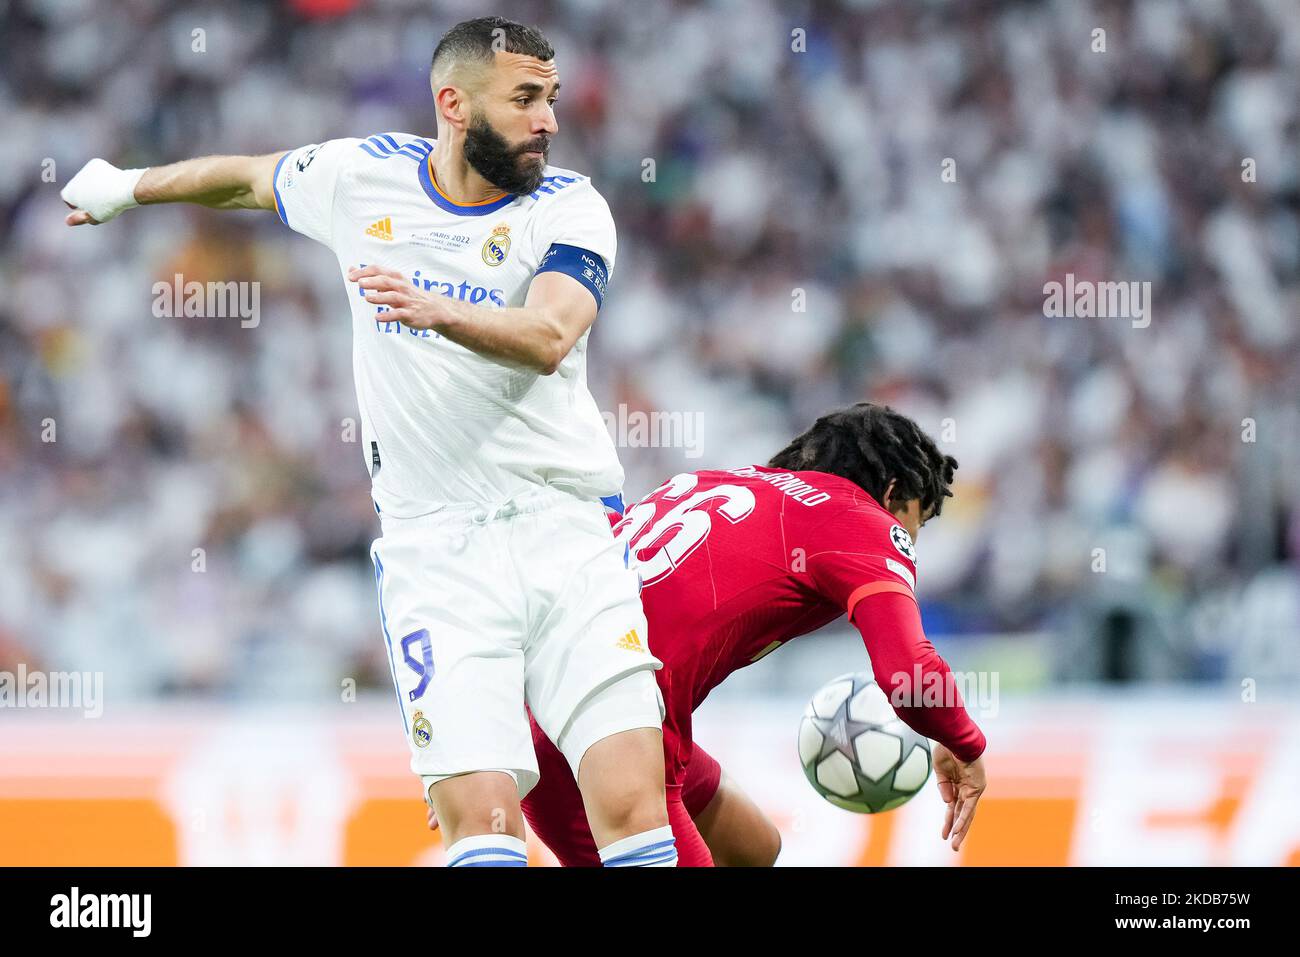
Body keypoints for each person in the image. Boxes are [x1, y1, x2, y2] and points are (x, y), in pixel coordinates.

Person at [60, 16, 676, 868]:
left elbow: (546, 335)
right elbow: (244, 180)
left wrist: (439, 310)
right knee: (484, 828)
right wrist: (130, 186)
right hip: (435, 553)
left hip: (567, 528)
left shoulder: (569, 206)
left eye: (553, 100)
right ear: (454, 104)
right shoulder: (362, 176)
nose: (549, 121)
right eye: (527, 99)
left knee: (634, 808)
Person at [430, 403, 989, 865]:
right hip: (606, 744)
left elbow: (557, 581)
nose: (913, 535)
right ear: (892, 494)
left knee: (753, 848)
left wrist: (483, 732)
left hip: (579, 715)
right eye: (921, 516)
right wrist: (964, 743)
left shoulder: (709, 482)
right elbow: (908, 673)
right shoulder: (862, 523)